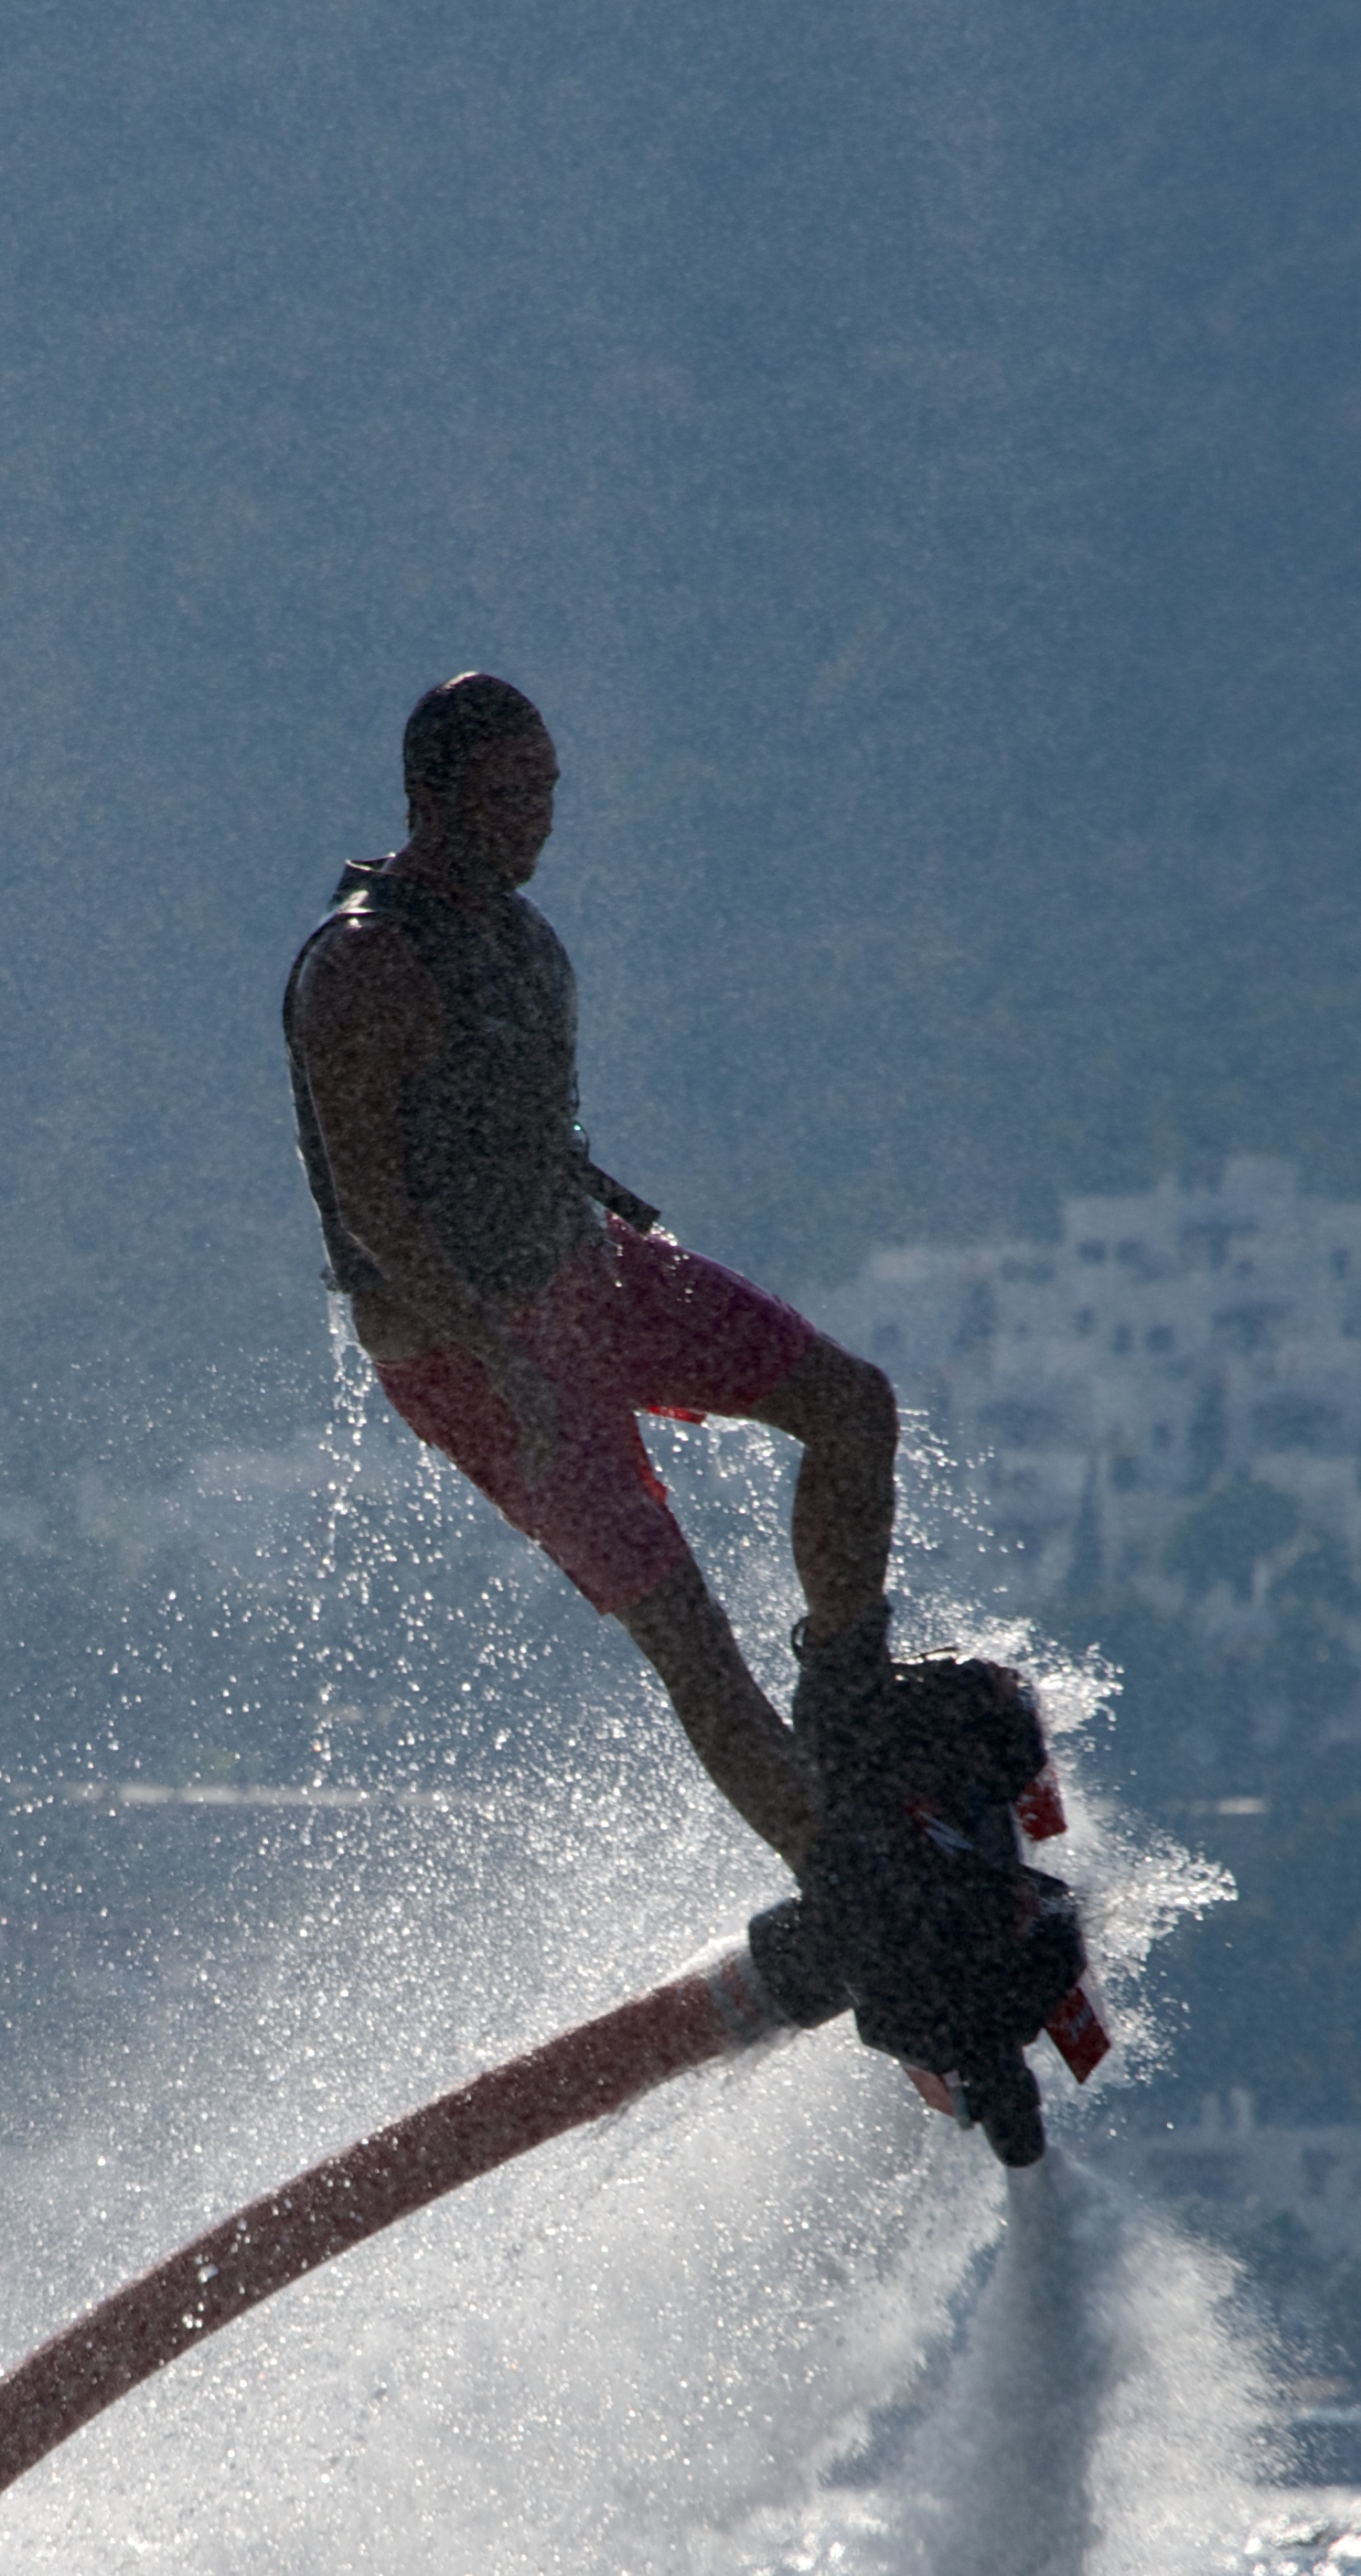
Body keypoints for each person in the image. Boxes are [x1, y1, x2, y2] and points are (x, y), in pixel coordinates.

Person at [284, 671, 899, 1878]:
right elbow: (374, 1204)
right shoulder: (362, 966)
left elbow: (499, 1124)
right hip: (468, 1352)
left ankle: (849, 1706)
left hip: (587, 1273)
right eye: (508, 795)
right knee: (687, 1629)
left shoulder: (514, 934)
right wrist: (501, 1357)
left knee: (851, 1405)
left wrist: (604, 1196)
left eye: (548, 790)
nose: (536, 818)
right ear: (427, 797)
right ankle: (847, 1881)